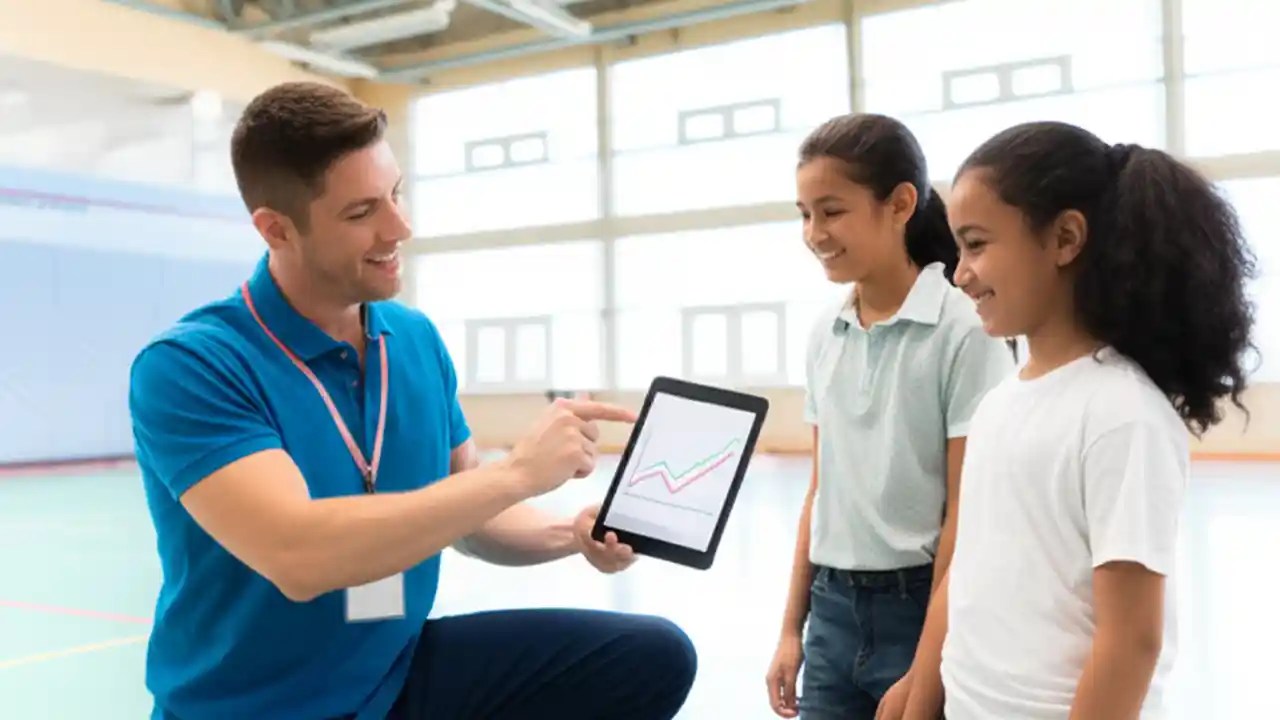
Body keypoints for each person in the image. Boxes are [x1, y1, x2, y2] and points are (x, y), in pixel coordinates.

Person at [128, 81, 697, 720]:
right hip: (253, 707)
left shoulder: (415, 340)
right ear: (275, 229)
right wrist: (515, 474)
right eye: (360, 211)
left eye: (395, 194)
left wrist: (571, 534)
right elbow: (299, 555)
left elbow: (470, 512)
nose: (399, 227)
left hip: (391, 678)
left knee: (651, 657)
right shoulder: (192, 365)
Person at [899, 121, 1257, 720]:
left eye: (978, 245)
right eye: (958, 249)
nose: (960, 273)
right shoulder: (998, 402)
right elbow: (965, 570)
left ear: (1065, 238)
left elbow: (1131, 641)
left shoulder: (1122, 414)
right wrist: (922, 690)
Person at [765, 113, 1014, 720]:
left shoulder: (964, 329)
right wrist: (790, 631)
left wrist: (926, 669)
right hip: (829, 612)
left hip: (920, 611)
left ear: (901, 203)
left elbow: (966, 514)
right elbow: (821, 492)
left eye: (831, 210)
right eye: (804, 213)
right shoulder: (826, 331)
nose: (813, 232)